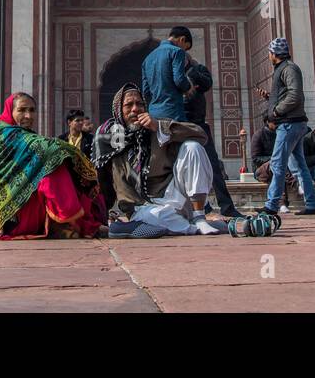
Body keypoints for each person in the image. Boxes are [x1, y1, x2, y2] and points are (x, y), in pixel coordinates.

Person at [93, 84, 222, 236]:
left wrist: (159, 127)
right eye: (129, 105)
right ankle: (198, 228)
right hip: (144, 207)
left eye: (140, 104)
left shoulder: (156, 127)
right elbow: (103, 181)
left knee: (193, 147)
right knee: (155, 217)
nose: (135, 109)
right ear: (118, 110)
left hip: (175, 196)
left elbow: (200, 135)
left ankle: (199, 217)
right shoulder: (110, 139)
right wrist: (100, 216)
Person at [0, 92, 107, 239]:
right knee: (52, 166)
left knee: (52, 163)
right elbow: (49, 149)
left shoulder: (25, 136)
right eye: (22, 110)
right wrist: (75, 156)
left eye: (32, 110)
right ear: (10, 110)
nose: (28, 116)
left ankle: (67, 222)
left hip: (24, 210)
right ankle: (72, 221)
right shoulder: (7, 135)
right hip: (13, 216)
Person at [255, 37, 315, 217]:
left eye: (269, 52)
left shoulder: (289, 68)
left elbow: (295, 95)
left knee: (277, 164)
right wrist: (271, 99)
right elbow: (287, 94)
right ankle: (313, 203)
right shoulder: (283, 69)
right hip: (293, 123)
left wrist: (276, 111)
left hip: (290, 124)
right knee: (299, 165)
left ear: (274, 54)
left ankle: (271, 205)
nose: (268, 55)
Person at [184, 62, 243, 218]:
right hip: (179, 123)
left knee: (213, 167)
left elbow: (207, 84)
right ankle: (203, 207)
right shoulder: (169, 68)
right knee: (183, 167)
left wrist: (191, 73)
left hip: (198, 124)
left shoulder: (196, 69)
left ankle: (226, 206)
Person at [141, 26, 195, 122]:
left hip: (153, 116)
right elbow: (179, 80)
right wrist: (188, 87)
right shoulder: (177, 51)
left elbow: (146, 91)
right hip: (173, 114)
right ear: (182, 39)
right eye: (185, 48)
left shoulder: (147, 59)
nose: (184, 51)